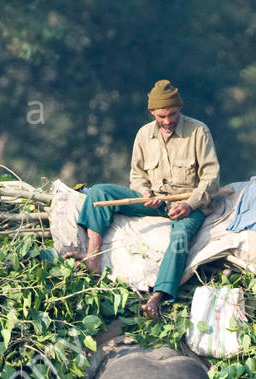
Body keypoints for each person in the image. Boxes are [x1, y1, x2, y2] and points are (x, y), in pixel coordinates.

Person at [72, 79, 221, 318]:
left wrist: (189, 204)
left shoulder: (198, 131)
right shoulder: (143, 135)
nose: (168, 121)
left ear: (179, 108)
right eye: (162, 116)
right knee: (99, 192)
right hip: (156, 202)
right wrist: (145, 193)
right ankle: (92, 256)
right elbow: (138, 176)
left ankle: (159, 295)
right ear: (152, 112)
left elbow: (211, 178)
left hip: (189, 206)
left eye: (172, 114)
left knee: (180, 236)